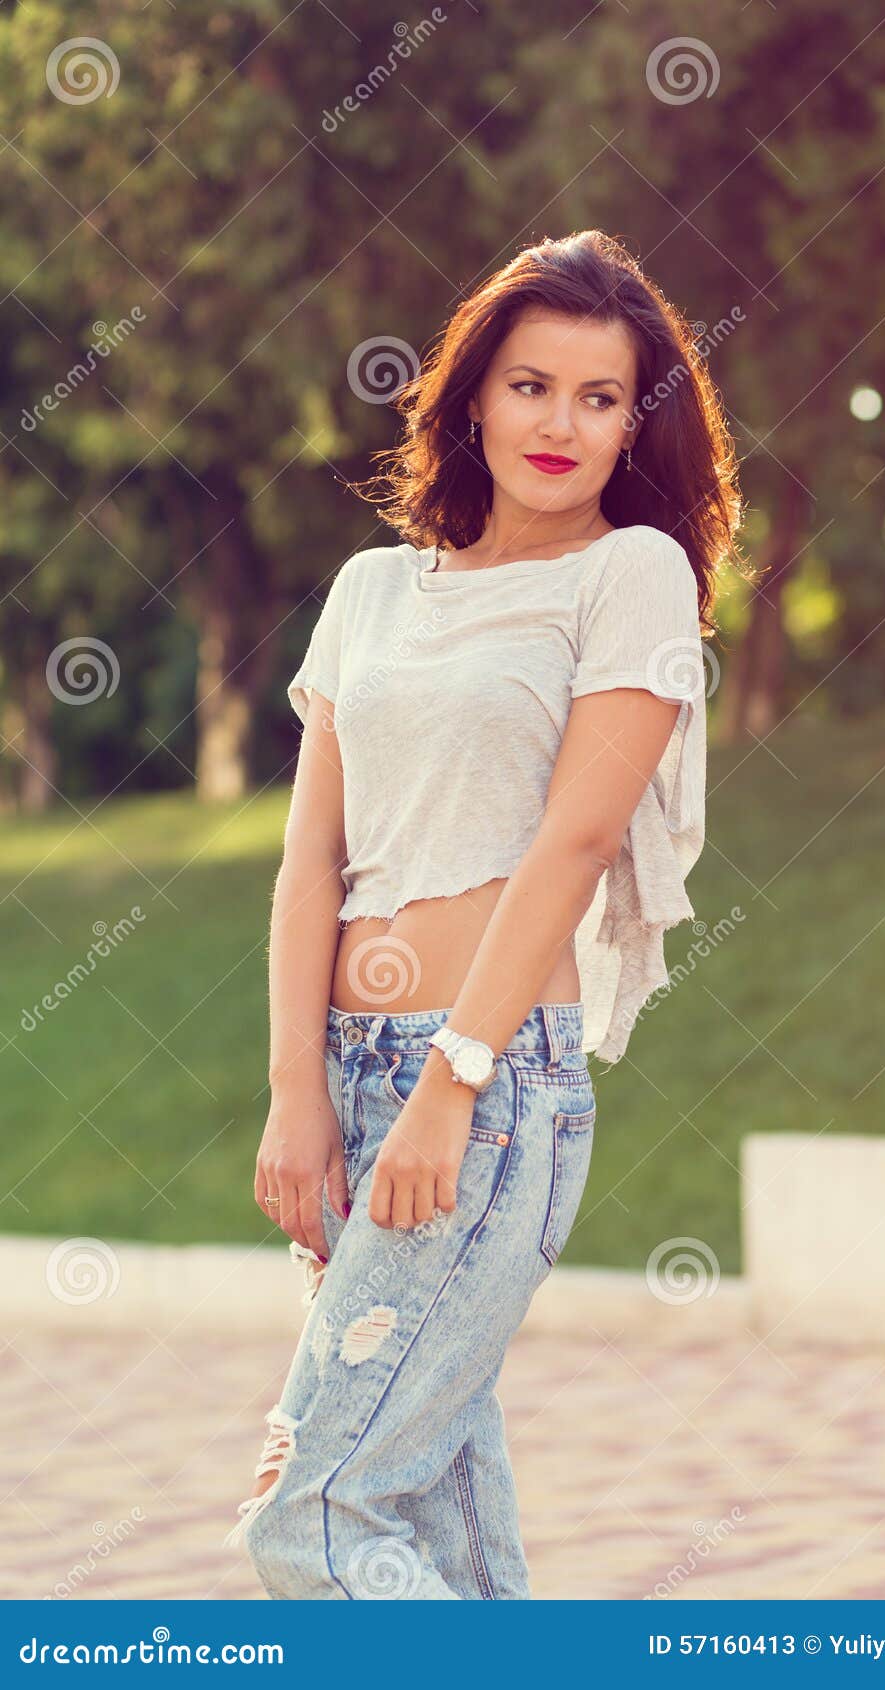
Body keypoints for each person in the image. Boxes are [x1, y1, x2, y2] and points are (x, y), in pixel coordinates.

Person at [222, 228, 742, 1598]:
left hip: (488, 1086)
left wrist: (450, 1081)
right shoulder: (371, 591)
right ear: (472, 399)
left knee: (313, 1515)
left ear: (636, 422)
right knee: (443, 1520)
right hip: (352, 1072)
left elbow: (575, 842)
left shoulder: (629, 574)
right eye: (530, 385)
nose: (561, 424)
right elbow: (308, 862)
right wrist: (296, 1091)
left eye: (599, 396)